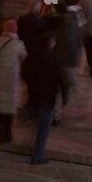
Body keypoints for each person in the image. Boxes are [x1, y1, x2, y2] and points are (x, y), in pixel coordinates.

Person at [24, 31, 61, 165]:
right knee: (43, 129)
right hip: (46, 99)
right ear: (50, 43)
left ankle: (33, 148)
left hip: (33, 95)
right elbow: (59, 78)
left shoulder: (31, 55)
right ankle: (38, 155)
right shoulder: (53, 58)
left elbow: (24, 71)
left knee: (35, 121)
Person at [0, 19, 27, 143]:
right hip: (11, 80)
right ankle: (7, 135)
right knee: (9, 108)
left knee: (0, 106)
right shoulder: (19, 44)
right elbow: (24, 58)